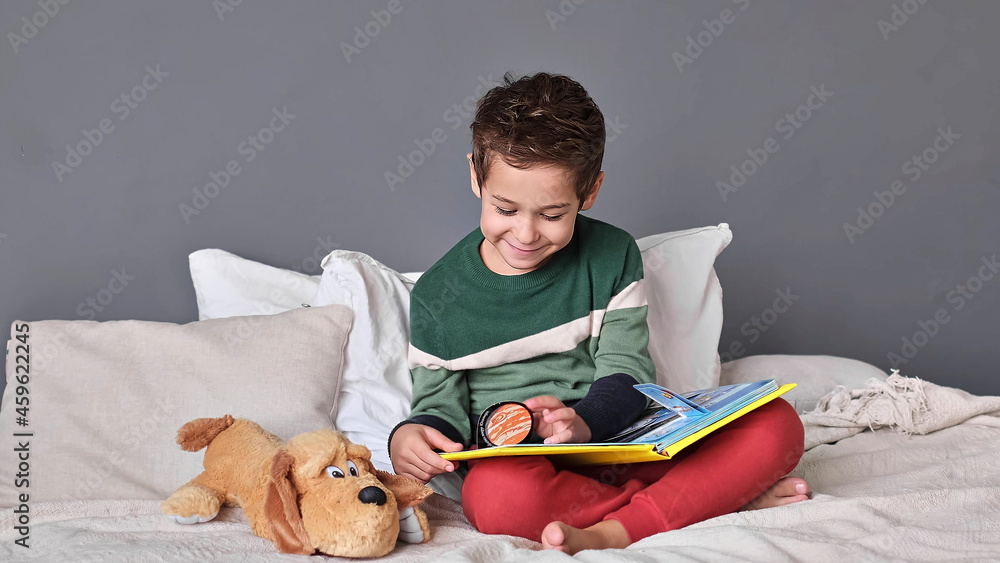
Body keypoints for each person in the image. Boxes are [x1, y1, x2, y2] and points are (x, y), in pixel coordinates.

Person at [388, 71, 808, 554]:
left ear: (589, 192)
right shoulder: (439, 295)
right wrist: (412, 437)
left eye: (551, 215)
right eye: (505, 208)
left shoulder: (611, 255)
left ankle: (618, 526)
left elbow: (627, 369)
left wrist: (582, 424)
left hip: (613, 440)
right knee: (494, 498)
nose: (525, 234)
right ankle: (702, 500)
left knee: (776, 424)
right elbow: (440, 413)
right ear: (475, 176)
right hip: (522, 466)